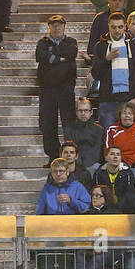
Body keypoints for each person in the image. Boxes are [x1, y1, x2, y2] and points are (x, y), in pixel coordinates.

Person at [36, 14, 79, 162]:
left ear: (64, 26)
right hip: (47, 91)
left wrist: (51, 57)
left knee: (69, 125)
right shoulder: (43, 42)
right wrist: (60, 59)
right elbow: (39, 55)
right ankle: (53, 157)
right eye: (54, 25)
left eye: (59, 24)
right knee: (48, 125)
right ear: (49, 27)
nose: (57, 27)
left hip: (66, 90)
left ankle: (70, 157)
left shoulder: (71, 41)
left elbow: (71, 53)